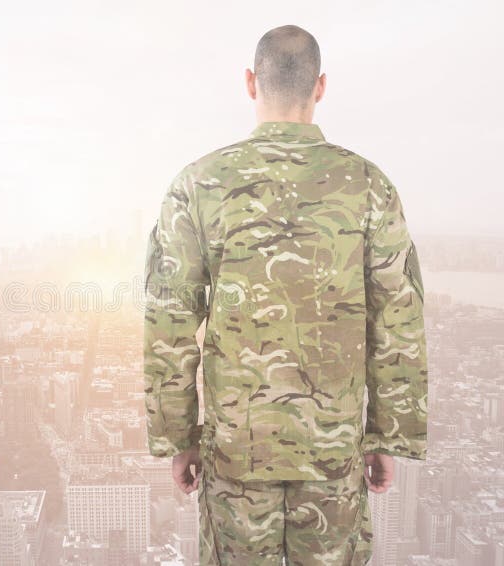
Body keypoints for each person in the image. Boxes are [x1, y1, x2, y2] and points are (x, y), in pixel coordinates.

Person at [143, 24, 428, 565]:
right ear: (320, 87)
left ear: (251, 83)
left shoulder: (197, 185)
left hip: (236, 451)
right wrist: (386, 436)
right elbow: (398, 318)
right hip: (333, 448)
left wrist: (179, 437)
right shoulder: (369, 185)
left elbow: (169, 321)